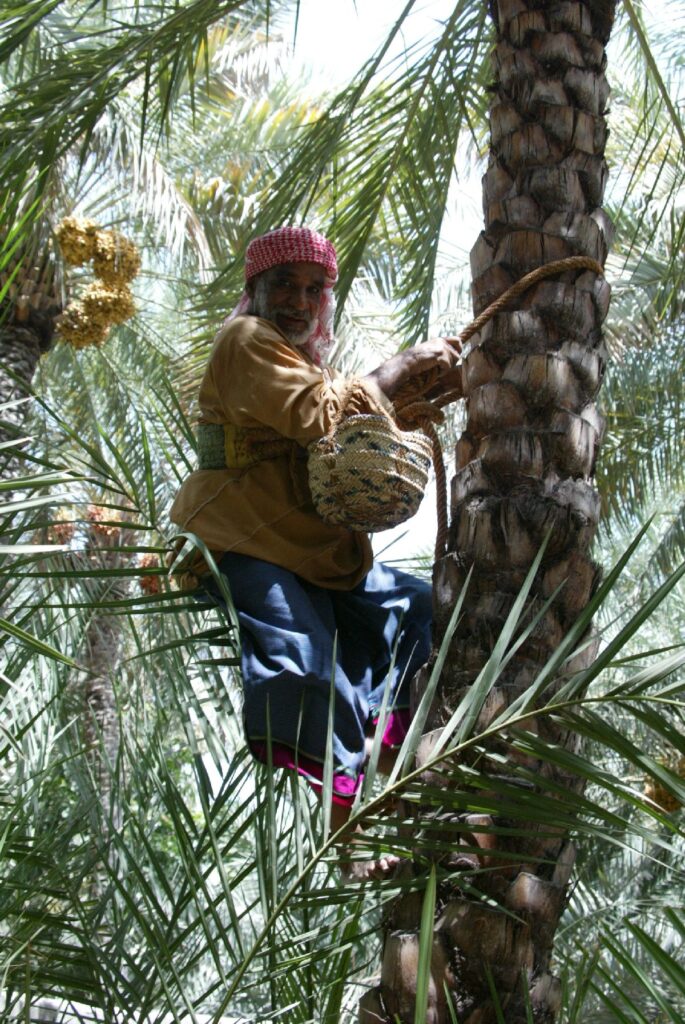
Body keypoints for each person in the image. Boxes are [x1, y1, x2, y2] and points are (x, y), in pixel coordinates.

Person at [170, 226, 460, 878]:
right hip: (244, 538)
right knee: (305, 660)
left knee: (422, 609)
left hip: (316, 551)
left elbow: (343, 415)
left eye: (313, 289)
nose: (299, 302)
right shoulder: (245, 341)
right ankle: (348, 841)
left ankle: (386, 765)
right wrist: (390, 377)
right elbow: (316, 416)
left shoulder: (304, 360)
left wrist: (419, 393)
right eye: (284, 286)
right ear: (255, 291)